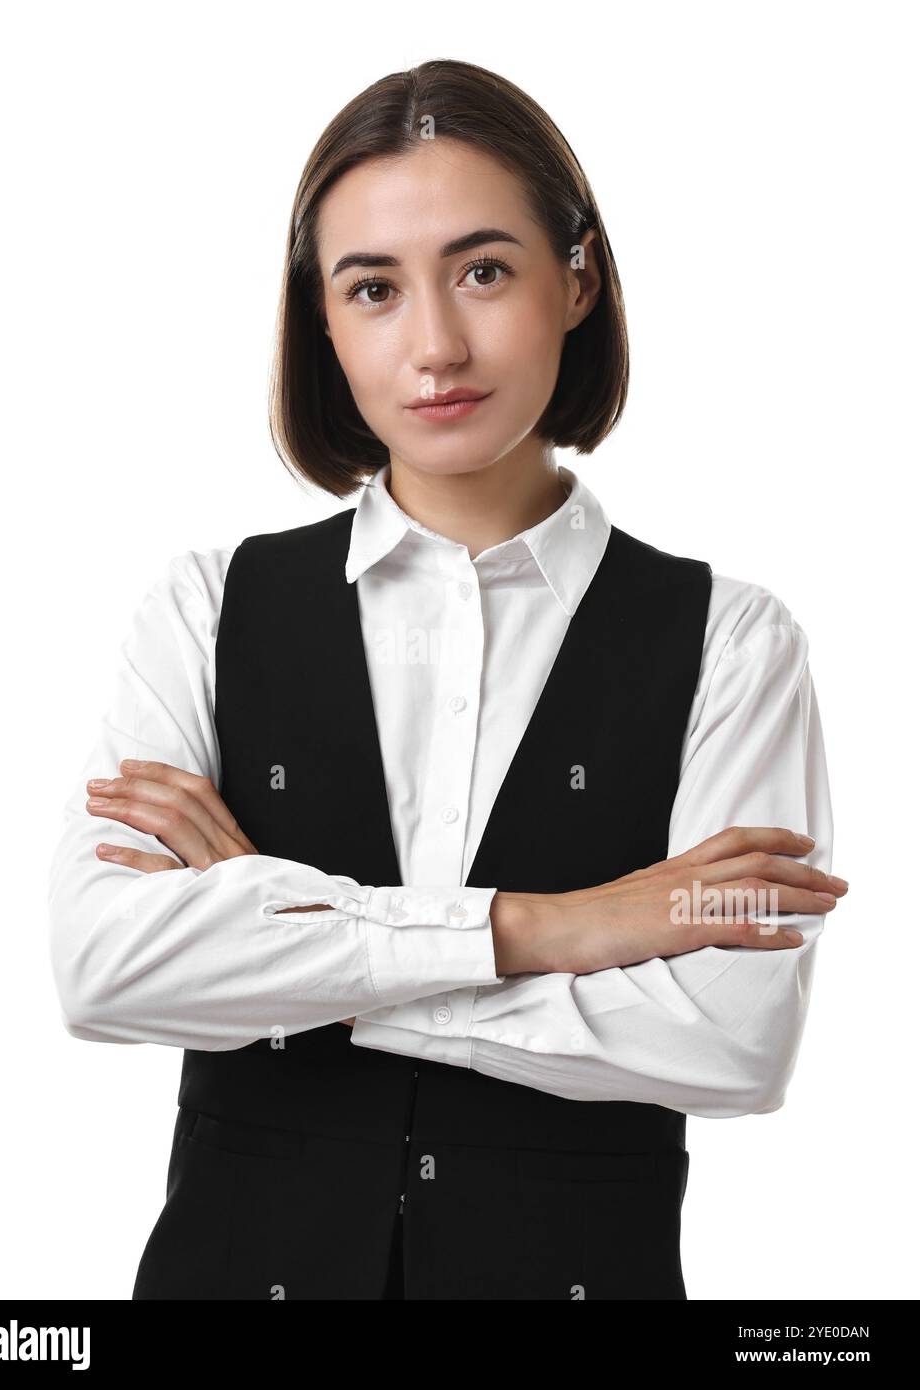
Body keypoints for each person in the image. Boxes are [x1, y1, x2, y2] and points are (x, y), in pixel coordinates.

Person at [47, 58, 847, 1301]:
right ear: (322, 318)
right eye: (373, 289)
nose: (435, 345)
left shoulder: (733, 643)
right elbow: (105, 970)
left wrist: (287, 955)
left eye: (484, 270)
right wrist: (554, 928)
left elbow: (731, 1043)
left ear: (576, 279)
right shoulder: (203, 608)